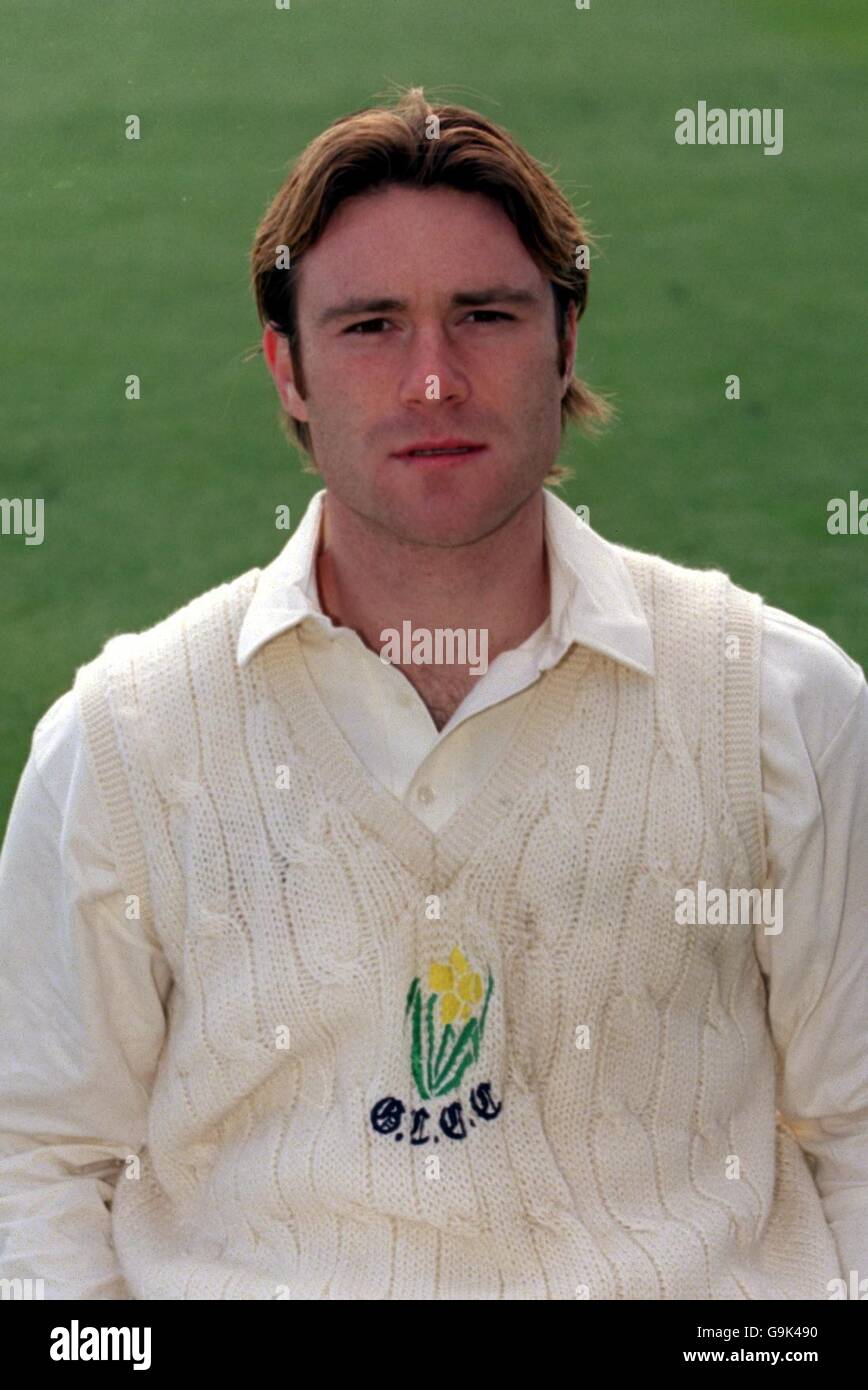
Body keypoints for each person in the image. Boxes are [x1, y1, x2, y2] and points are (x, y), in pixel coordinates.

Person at [0, 87, 865, 1301]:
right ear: (286, 368)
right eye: (369, 327)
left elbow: (860, 1127)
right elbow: (31, 1161)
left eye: (485, 316)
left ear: (564, 343)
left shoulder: (784, 706)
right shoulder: (125, 737)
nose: (432, 382)